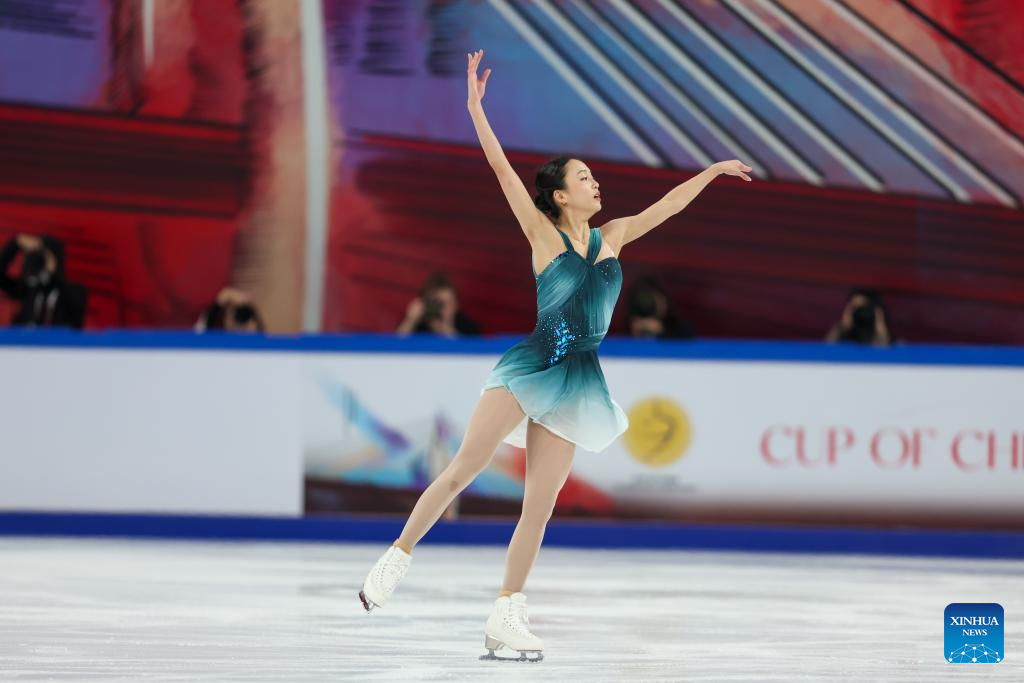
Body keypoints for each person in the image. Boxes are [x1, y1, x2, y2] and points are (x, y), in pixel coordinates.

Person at [358, 49, 752, 662]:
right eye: (585, 177)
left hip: (578, 381)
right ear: (561, 196)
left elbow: (667, 208)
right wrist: (474, 110)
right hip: (531, 365)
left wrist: (712, 171)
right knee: (464, 466)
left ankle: (505, 615)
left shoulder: (614, 234)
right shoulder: (542, 234)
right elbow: (499, 169)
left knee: (538, 509)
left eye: (595, 176)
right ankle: (396, 556)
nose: (596, 182)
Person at [0, 234, 87, 329]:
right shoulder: (27, 290)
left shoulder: (75, 292)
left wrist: (50, 273)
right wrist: (14, 244)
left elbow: (75, 329)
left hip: (55, 342)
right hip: (24, 342)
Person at [396, 271, 481, 337]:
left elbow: (470, 356)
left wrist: (447, 329)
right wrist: (410, 321)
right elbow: (394, 349)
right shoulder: (417, 323)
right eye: (435, 303)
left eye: (446, 303)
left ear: (456, 305)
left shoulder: (468, 327)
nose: (440, 308)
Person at [626, 276, 695, 340]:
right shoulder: (625, 327)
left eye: (652, 300)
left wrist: (661, 330)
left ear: (663, 299)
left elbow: (688, 341)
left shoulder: (678, 327)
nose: (648, 306)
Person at [825, 287, 893, 347]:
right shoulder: (844, 335)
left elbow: (883, 354)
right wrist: (842, 327)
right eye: (856, 308)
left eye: (864, 308)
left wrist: (880, 329)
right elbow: (826, 350)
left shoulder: (890, 338)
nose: (860, 312)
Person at [194, 287, 265, 333]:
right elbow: (201, 334)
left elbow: (260, 334)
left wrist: (249, 306)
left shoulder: (256, 348)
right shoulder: (219, 344)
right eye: (228, 314)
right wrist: (218, 304)